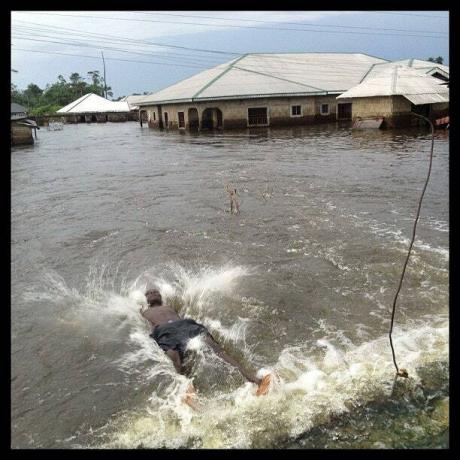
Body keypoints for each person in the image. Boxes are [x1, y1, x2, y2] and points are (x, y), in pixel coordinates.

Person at [140, 288, 270, 406]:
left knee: (215, 348)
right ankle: (188, 393)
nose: (153, 294)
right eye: (149, 293)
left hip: (186, 325)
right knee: (175, 358)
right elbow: (146, 328)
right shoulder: (144, 312)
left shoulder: (169, 307)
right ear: (146, 300)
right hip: (164, 331)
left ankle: (255, 379)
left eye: (156, 292)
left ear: (161, 297)